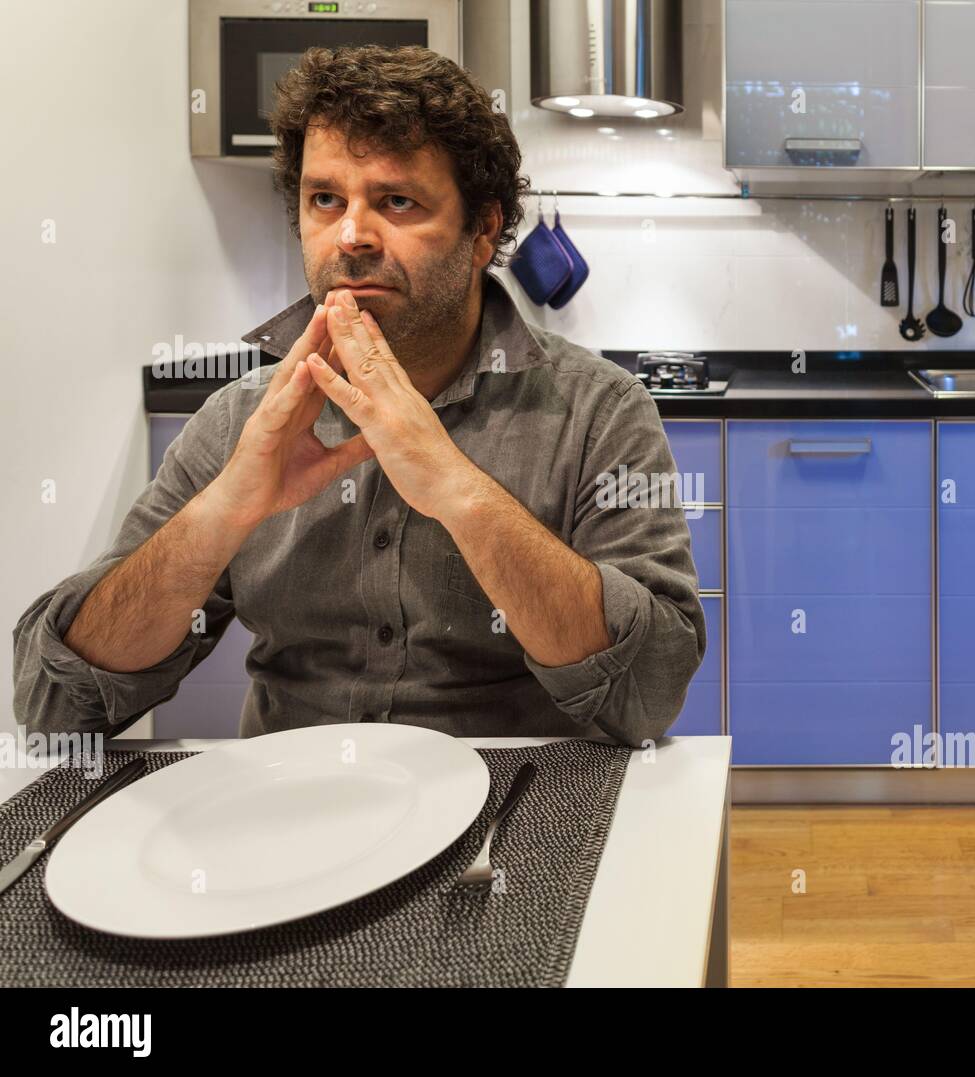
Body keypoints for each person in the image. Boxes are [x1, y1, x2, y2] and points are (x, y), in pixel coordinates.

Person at [13, 44, 705, 746]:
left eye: (396, 201)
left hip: (520, 807)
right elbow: (56, 705)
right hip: (288, 816)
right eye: (325, 200)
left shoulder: (598, 413)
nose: (350, 235)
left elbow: (647, 692)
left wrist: (454, 486)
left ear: (483, 230)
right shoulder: (239, 421)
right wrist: (224, 509)